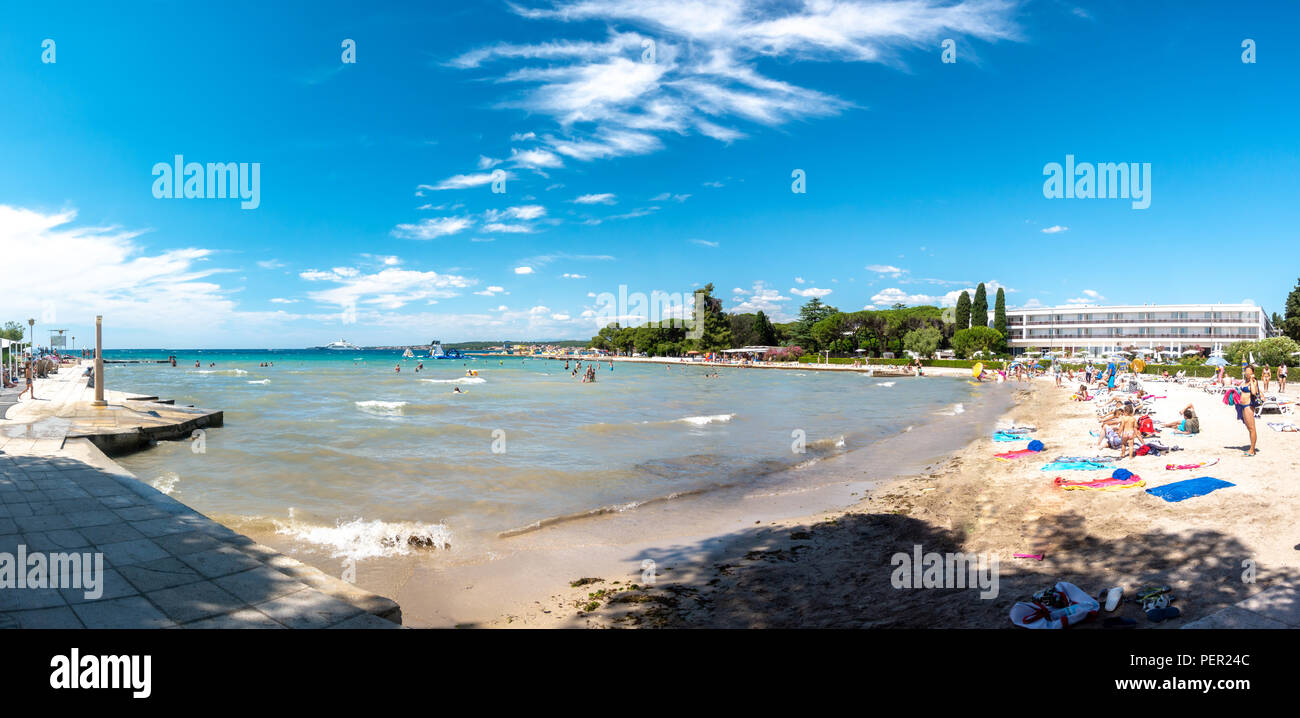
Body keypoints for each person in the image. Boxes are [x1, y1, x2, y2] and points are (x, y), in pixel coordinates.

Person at [1236, 366, 1260, 456]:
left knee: (1252, 428)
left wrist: (1252, 380)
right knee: (1249, 428)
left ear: (1253, 372)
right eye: (1246, 371)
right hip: (1242, 406)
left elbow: (1254, 392)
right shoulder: (1245, 381)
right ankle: (1251, 448)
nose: (1247, 373)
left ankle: (1252, 450)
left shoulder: (1253, 381)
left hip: (1248, 406)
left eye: (1249, 371)